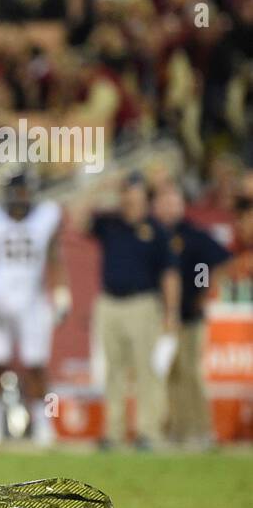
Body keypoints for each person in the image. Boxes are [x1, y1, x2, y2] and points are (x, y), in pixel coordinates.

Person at [84, 175, 181, 449]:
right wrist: (99, 187)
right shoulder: (110, 223)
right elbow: (78, 218)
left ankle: (148, 432)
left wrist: (171, 311)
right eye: (127, 194)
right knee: (113, 369)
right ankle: (113, 433)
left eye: (136, 195)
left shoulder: (157, 230)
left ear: (145, 200)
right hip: (110, 303)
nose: (130, 200)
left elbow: (170, 274)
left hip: (143, 304)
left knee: (146, 370)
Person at [0, 171, 69, 446]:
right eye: (17, 192)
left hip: (32, 302)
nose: (20, 198)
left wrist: (61, 292)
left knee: (36, 364)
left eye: (25, 192)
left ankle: (43, 424)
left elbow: (54, 255)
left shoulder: (46, 216)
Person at [154, 183, 232, 447]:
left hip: (190, 317)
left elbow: (219, 260)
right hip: (162, 318)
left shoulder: (193, 235)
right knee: (169, 376)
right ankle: (176, 431)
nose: (168, 208)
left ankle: (201, 432)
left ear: (182, 206)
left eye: (173, 203)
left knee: (191, 374)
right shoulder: (155, 234)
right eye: (164, 203)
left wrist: (205, 292)